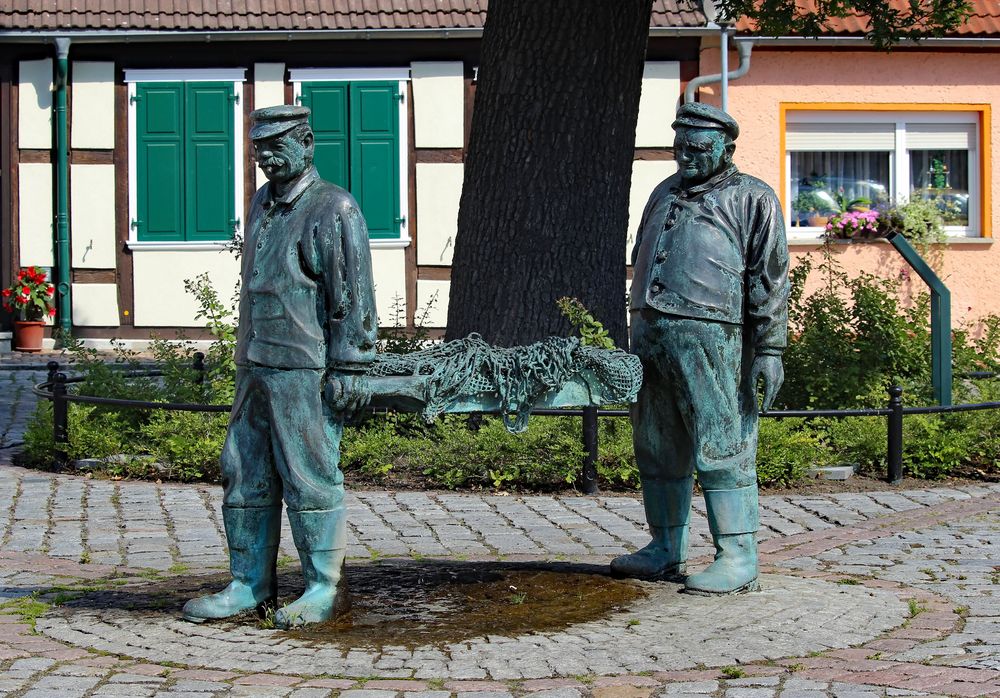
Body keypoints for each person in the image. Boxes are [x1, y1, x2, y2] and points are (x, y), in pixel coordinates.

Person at [182, 105, 377, 628]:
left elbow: (352, 298)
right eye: (258, 149)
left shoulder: (333, 207)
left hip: (303, 366)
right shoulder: (262, 203)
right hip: (255, 362)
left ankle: (323, 586)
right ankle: (249, 583)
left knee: (309, 475)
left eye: (276, 146)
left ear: (307, 142)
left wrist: (351, 366)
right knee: (242, 472)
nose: (266, 158)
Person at [611, 102, 789, 595]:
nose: (685, 157)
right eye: (679, 147)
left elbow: (770, 278)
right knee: (656, 442)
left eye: (698, 148)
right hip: (650, 332)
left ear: (726, 149)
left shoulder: (753, 197)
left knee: (720, 440)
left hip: (714, 335)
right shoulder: (663, 191)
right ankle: (664, 546)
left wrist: (770, 349)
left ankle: (737, 553)